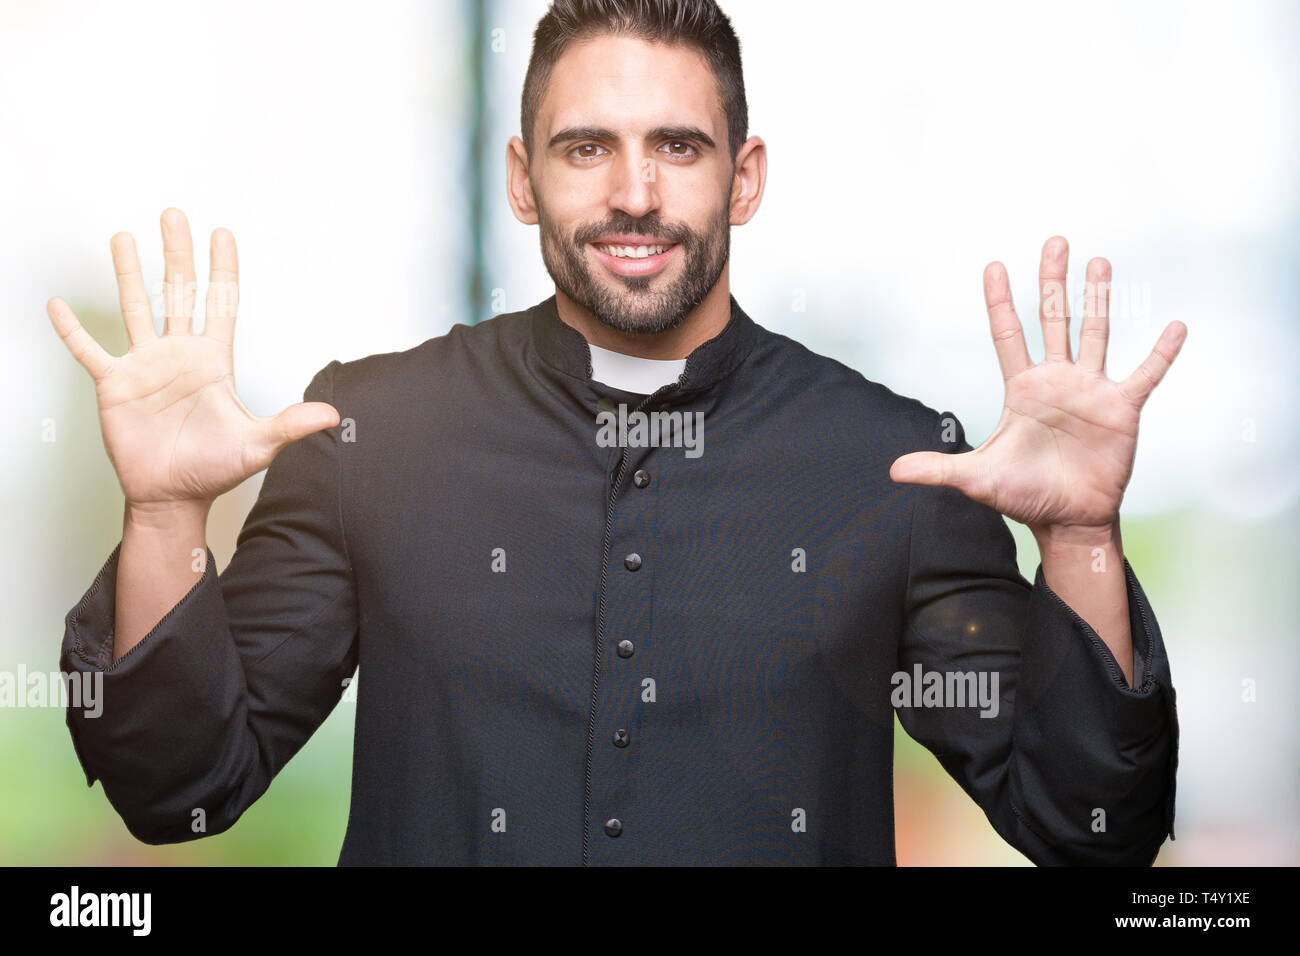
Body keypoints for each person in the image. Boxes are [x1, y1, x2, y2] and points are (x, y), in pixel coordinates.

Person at [49, 0, 1184, 865]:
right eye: (586, 148)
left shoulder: (891, 465)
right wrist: (162, 515)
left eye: (678, 148)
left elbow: (1087, 825)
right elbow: (181, 787)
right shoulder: (371, 431)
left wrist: (1081, 540)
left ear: (744, 179)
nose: (633, 192)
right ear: (524, 180)